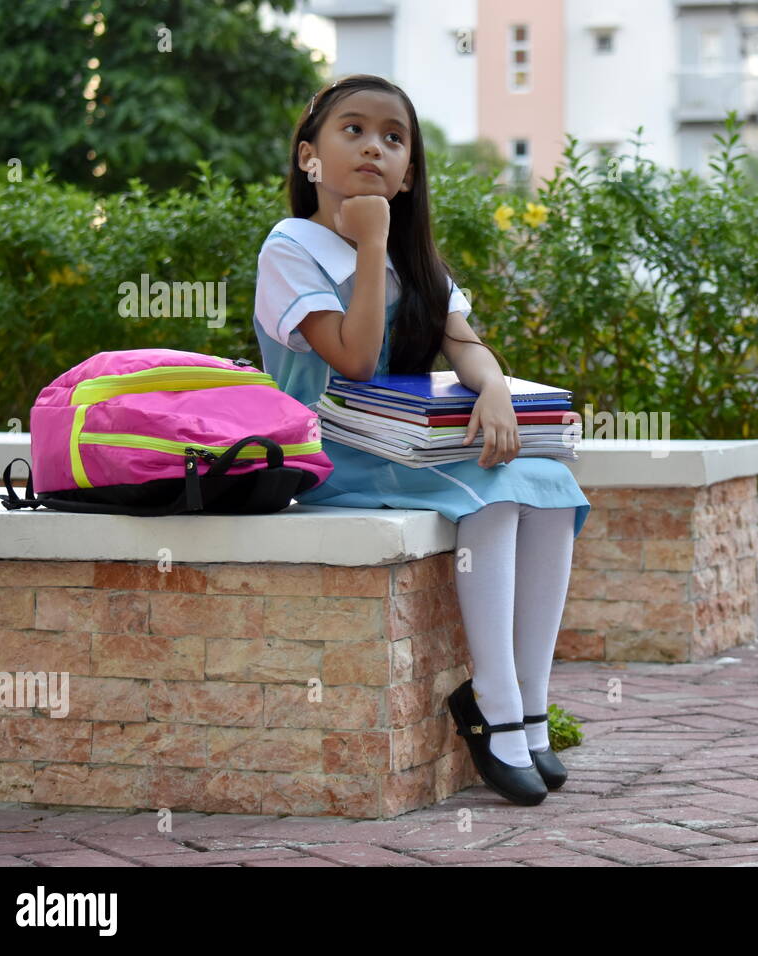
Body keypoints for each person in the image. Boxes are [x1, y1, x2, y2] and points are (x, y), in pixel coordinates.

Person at [252, 74, 589, 806]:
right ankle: (492, 706)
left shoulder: (418, 263)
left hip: (403, 449)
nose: (374, 145)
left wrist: (492, 386)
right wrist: (369, 245)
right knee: (494, 495)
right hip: (327, 453)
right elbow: (355, 359)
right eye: (354, 130)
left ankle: (530, 707)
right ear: (309, 155)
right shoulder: (291, 248)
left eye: (393, 138)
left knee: (554, 489)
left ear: (408, 174)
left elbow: (464, 346)